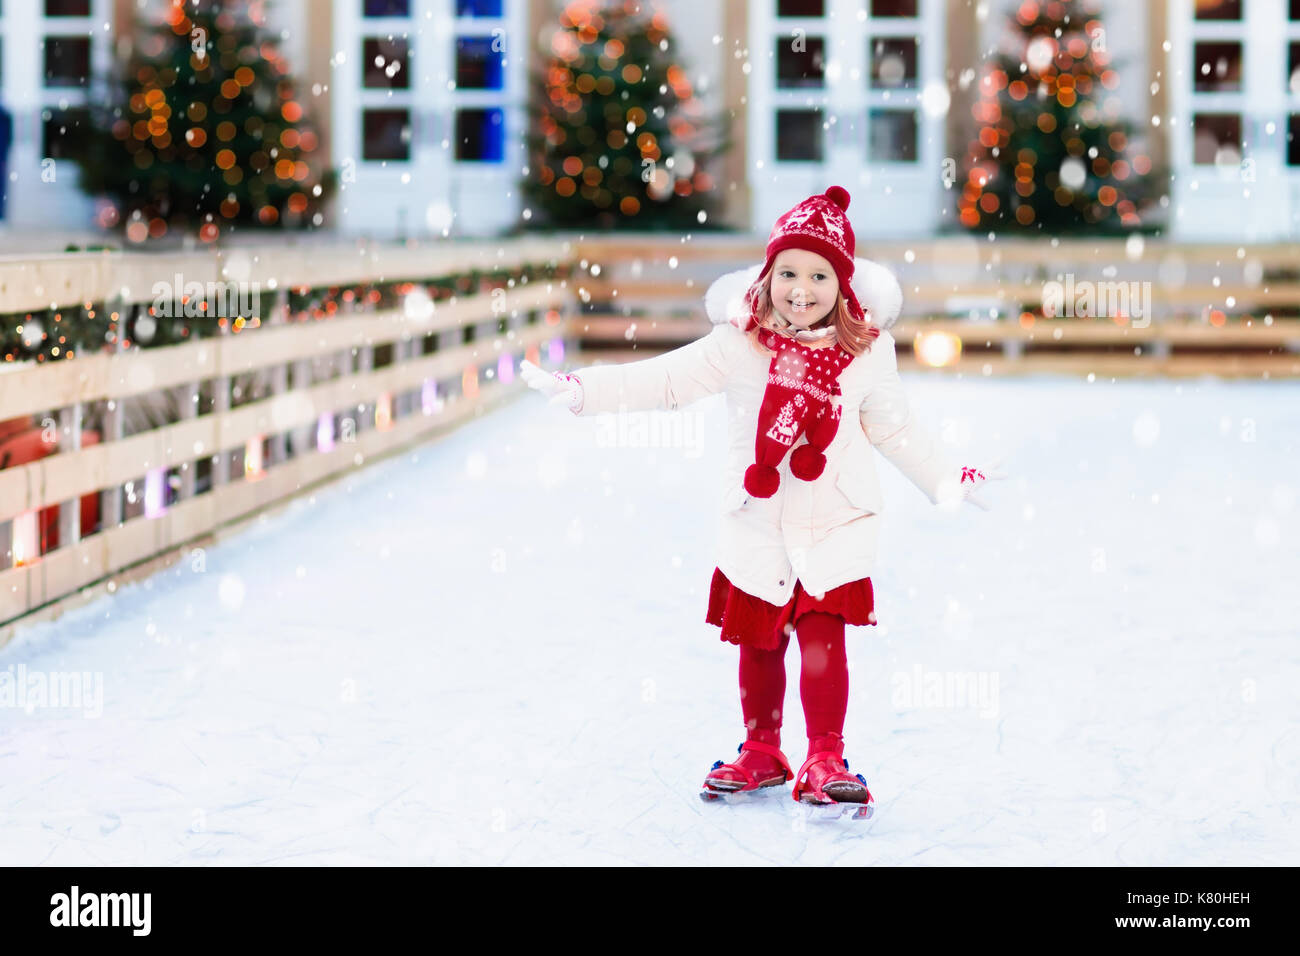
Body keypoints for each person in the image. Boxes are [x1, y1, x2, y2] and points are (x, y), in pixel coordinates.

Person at [521, 186, 1005, 807]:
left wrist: (949, 479)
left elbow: (895, 429)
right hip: (757, 520)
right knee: (760, 641)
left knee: (823, 641)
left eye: (819, 275)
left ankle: (825, 755)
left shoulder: (864, 353)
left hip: (836, 519)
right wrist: (584, 389)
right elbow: (666, 380)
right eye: (788, 273)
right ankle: (763, 749)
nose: (801, 289)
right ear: (769, 275)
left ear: (844, 284)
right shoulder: (738, 343)